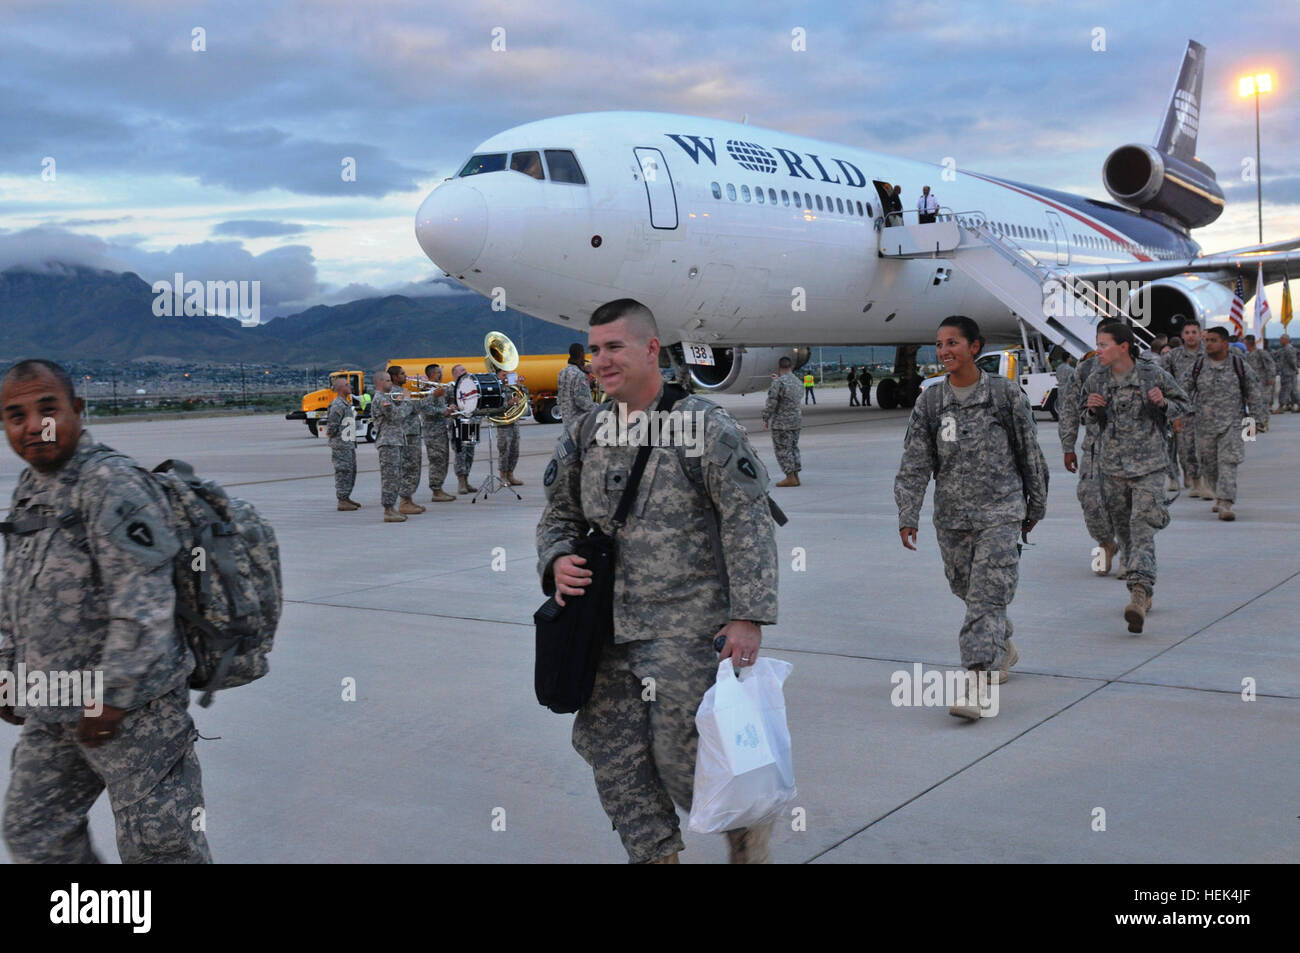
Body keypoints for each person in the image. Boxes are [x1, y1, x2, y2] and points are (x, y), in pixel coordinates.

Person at [537, 298, 779, 864]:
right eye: (594, 349)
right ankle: (656, 856)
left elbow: (747, 518)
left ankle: (746, 832)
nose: (601, 360)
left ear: (651, 349)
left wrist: (748, 615)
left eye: (613, 347)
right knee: (612, 754)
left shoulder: (700, 425)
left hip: (685, 627)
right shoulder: (585, 431)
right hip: (601, 629)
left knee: (680, 755)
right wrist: (556, 558)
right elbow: (557, 514)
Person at [0, 359, 211, 862]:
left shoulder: (111, 483)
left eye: (46, 409)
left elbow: (145, 598)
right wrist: (7, 669)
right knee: (34, 828)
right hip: (53, 704)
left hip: (135, 713)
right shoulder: (31, 486)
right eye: (15, 414)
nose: (33, 425)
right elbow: (14, 589)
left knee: (160, 849)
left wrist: (112, 695)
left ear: (77, 409)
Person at [895, 316, 1048, 720]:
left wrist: (1035, 506)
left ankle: (977, 682)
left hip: (1001, 512)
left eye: (953, 343)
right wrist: (907, 513)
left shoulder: (1003, 395)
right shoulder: (930, 401)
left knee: (985, 597)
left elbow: (1029, 452)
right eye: (940, 344)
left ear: (974, 347)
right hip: (952, 519)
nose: (945, 351)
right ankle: (1003, 643)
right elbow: (914, 462)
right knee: (968, 590)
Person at [1086, 322, 1190, 631]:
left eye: (1104, 344)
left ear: (1124, 346)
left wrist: (1163, 403)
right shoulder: (1096, 379)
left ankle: (1140, 592)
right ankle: (1138, 587)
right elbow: (1085, 418)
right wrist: (1091, 411)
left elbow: (1183, 404)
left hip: (1149, 467)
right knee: (1126, 533)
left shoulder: (1152, 375)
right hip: (1113, 469)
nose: (1098, 350)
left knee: (1141, 525)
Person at [1184, 327, 1263, 521]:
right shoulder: (1198, 366)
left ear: (1225, 344)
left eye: (1213, 340)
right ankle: (1219, 494)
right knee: (1209, 465)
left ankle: (1226, 502)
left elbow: (1254, 394)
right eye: (1207, 340)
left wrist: (1255, 422)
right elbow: (1182, 391)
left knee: (1228, 462)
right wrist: (1178, 416)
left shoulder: (1239, 365)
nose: (1208, 343)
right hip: (1204, 426)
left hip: (1233, 425)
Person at [1059, 351, 1118, 574]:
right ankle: (1106, 542)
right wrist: (1068, 446)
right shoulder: (1086, 370)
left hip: (1134, 453)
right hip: (1096, 449)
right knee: (1089, 498)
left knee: (1128, 505)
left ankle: (1132, 556)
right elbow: (1069, 410)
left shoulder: (1144, 370)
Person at [1161, 321, 1206, 493]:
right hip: (1180, 409)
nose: (1191, 335)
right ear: (1182, 335)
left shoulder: (1207, 354)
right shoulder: (1173, 356)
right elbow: (1162, 378)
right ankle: (1181, 476)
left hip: (1205, 408)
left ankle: (1199, 479)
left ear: (1200, 334)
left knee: (1201, 448)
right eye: (1187, 332)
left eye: (1194, 332)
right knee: (1180, 447)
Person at [372, 370, 410, 522]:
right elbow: (397, 415)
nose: (390, 383)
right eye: (388, 381)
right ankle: (388, 510)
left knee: (396, 476)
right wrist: (406, 400)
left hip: (394, 441)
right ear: (380, 382)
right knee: (390, 477)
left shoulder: (386, 398)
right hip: (388, 443)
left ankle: (391, 508)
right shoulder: (382, 399)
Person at [389, 366, 426, 515]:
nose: (406, 376)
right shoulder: (395, 393)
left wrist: (422, 393)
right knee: (409, 467)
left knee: (414, 466)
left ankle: (408, 499)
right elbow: (411, 408)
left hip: (413, 433)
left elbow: (416, 407)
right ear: (395, 377)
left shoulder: (403, 392)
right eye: (402, 374)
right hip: (407, 434)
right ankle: (405, 501)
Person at [763, 356, 804, 487]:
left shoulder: (779, 383)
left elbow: (772, 403)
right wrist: (777, 381)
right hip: (795, 421)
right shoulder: (798, 381)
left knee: (783, 449)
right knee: (793, 448)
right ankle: (796, 476)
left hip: (782, 422)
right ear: (791, 367)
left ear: (779, 367)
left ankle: (789, 477)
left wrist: (765, 417)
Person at [418, 363, 456, 502]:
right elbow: (425, 409)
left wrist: (448, 409)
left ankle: (439, 487)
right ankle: (436, 490)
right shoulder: (426, 390)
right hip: (432, 432)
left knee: (443, 460)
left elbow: (439, 408)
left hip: (440, 429)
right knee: (437, 460)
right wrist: (442, 410)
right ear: (432, 374)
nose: (440, 375)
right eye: (438, 373)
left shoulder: (437, 389)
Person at [325, 375, 360, 510]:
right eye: (347, 384)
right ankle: (342, 499)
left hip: (348, 444)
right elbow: (332, 426)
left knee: (351, 471)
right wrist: (336, 439)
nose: (350, 386)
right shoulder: (338, 405)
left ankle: (346, 497)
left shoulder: (345, 403)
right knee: (343, 471)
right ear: (340, 388)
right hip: (341, 445)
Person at [448, 364, 479, 494]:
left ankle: (466, 480)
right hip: (458, 423)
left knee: (470, 453)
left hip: (471, 423)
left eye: (465, 370)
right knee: (461, 453)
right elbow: (445, 405)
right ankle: (461, 481)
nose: (465, 372)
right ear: (454, 374)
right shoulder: (451, 388)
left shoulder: (472, 388)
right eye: (461, 371)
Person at [495, 368, 525, 486]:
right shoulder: (496, 389)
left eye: (506, 375)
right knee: (504, 450)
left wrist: (520, 386)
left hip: (514, 422)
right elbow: (495, 408)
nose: (505, 377)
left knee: (514, 450)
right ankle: (503, 477)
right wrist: (509, 403)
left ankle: (511, 474)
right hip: (503, 424)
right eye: (503, 375)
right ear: (497, 376)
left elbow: (525, 395)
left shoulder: (511, 387)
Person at [1243, 335, 1275, 433]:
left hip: (1263, 382)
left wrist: (1271, 377)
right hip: (1253, 384)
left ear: (1248, 343)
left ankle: (1264, 423)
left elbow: (1271, 364)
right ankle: (1258, 423)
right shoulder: (1248, 355)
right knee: (1256, 403)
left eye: (1244, 342)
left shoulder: (1261, 353)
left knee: (1264, 403)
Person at [557, 342, 595, 424]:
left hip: (566, 421)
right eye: (584, 353)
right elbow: (582, 402)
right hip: (579, 423)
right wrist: (599, 407)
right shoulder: (580, 375)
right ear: (581, 354)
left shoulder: (562, 373)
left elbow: (562, 397)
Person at [1277, 334, 1299, 412]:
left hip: (1288, 373)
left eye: (1281, 339)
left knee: (1285, 390)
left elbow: (1292, 361)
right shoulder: (1284, 349)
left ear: (1286, 340)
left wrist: (1295, 369)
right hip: (1287, 372)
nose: (1280, 341)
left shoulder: (1288, 349)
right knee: (1293, 391)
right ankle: (1296, 404)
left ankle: (1281, 406)